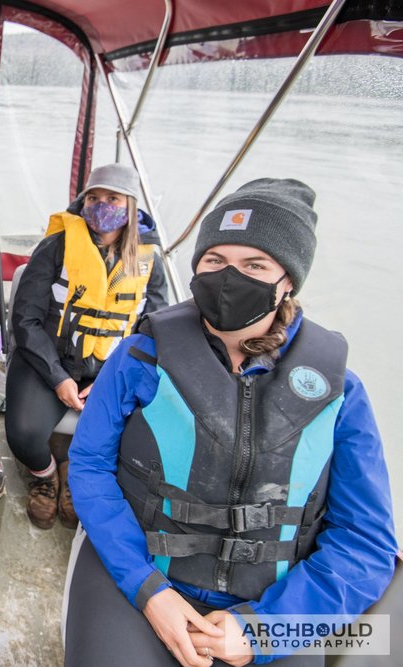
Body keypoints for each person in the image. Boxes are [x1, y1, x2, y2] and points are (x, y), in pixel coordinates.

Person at [65, 179, 397, 666]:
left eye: (254, 265)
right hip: (138, 575)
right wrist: (148, 589)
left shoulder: (340, 392)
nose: (228, 277)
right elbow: (90, 465)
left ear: (288, 281)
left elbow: (365, 542)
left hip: (274, 606)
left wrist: (264, 631)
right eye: (215, 261)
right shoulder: (140, 356)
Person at [5, 163, 168, 530]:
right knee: (24, 434)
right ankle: (46, 476)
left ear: (131, 207)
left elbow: (155, 329)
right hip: (48, 361)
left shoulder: (149, 261)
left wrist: (114, 379)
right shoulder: (55, 247)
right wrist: (59, 377)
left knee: (141, 435)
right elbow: (26, 319)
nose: (101, 205)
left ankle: (73, 471)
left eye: (112, 198)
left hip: (110, 369)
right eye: (93, 197)